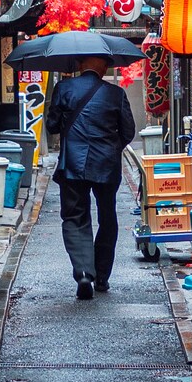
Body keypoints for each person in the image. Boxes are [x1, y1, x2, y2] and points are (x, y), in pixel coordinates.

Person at [46, 54, 136, 300]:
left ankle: (85, 272)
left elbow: (52, 126)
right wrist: (110, 146)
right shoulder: (115, 94)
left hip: (73, 163)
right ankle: (103, 277)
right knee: (108, 217)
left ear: (79, 64)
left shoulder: (64, 88)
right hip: (106, 165)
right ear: (105, 67)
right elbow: (128, 131)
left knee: (75, 217)